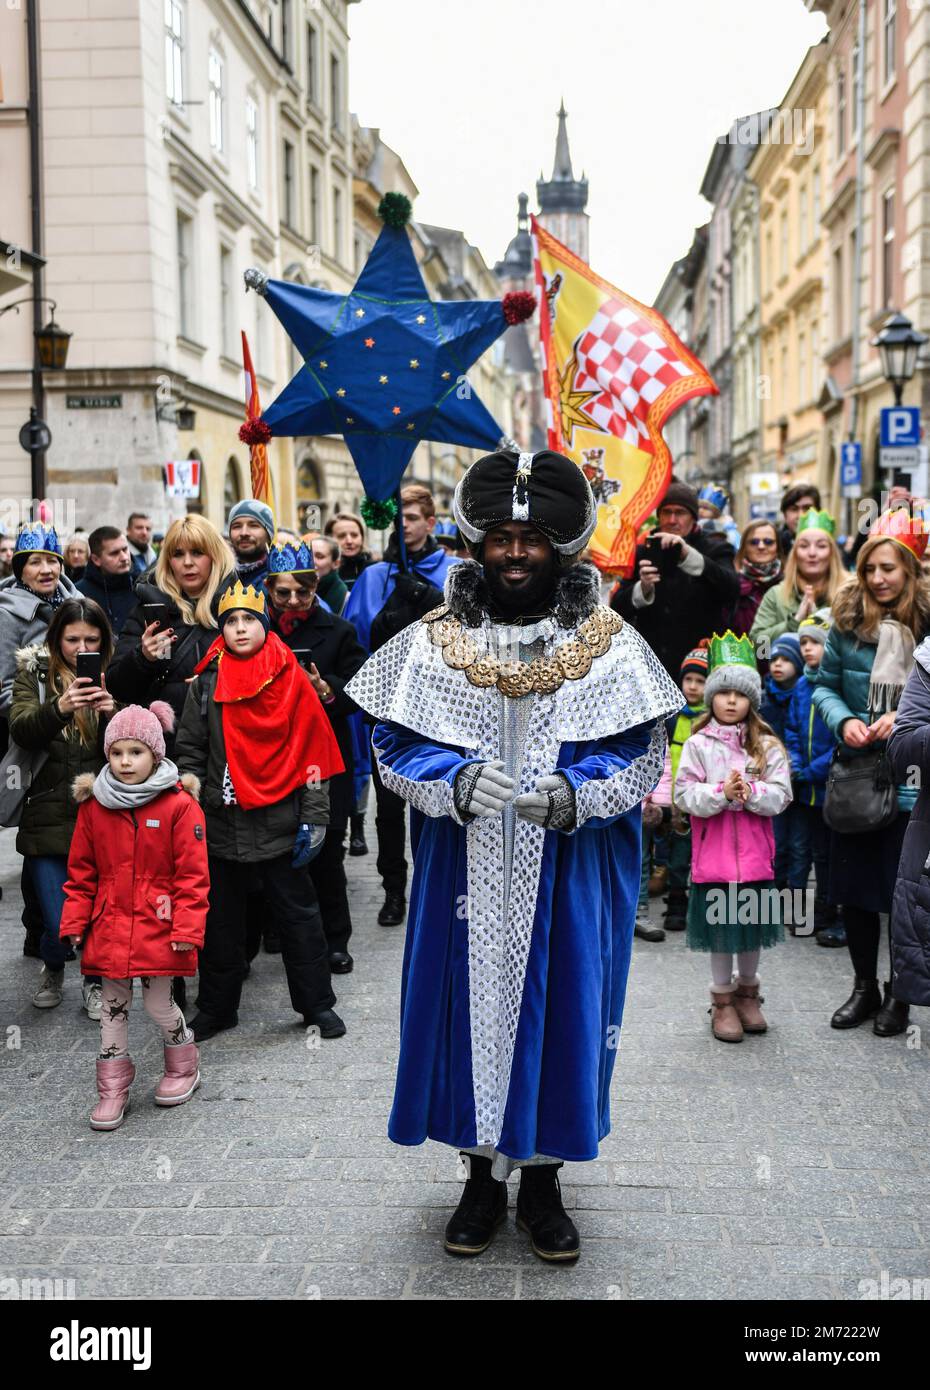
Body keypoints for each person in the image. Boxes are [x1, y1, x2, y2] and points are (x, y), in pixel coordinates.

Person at [345, 448, 681, 1263]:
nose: (517, 552)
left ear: (560, 546)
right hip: (463, 871)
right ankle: (479, 1178)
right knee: (461, 1013)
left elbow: (642, 752)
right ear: (478, 544)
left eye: (532, 539)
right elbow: (391, 743)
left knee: (564, 1010)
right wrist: (451, 778)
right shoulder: (431, 642)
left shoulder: (609, 642)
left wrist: (575, 794)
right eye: (502, 537)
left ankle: (542, 1183)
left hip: (566, 871)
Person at [174, 578, 346, 1042]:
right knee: (221, 924)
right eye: (231, 621)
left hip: (281, 821)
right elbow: (190, 748)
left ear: (265, 626)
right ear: (221, 629)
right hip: (221, 821)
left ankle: (317, 1006)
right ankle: (215, 1008)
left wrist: (315, 815)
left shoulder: (290, 677)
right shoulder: (206, 683)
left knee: (299, 921)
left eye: (250, 619)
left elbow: (313, 752)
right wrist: (191, 802)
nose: (241, 628)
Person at [810, 507, 930, 1035]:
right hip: (858, 773)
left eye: (890, 568)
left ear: (908, 570)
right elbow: (824, 686)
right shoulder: (844, 616)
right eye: (871, 568)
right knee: (855, 889)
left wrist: (902, 717)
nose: (879, 579)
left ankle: (900, 997)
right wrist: (845, 723)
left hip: (912, 779)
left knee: (900, 894)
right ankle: (863, 987)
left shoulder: (927, 621)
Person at [60, 702, 208, 1130]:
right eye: (117, 752)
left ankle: (182, 1063)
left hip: (158, 926)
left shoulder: (179, 806)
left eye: (136, 752)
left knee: (160, 1004)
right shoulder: (93, 806)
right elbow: (81, 873)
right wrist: (74, 922)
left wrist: (186, 927)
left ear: (155, 755)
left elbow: (193, 876)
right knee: (112, 1008)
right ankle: (112, 1085)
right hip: (108, 926)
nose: (126, 761)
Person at [344, 483, 461, 927]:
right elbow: (357, 642)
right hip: (388, 710)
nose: (404, 526)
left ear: (430, 522)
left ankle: (436, 884)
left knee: (436, 799)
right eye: (399, 518)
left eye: (412, 518)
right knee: (390, 807)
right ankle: (394, 888)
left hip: (441, 710)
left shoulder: (452, 571)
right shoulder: (376, 576)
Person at [674, 633, 792, 1043]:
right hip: (715, 861)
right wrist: (720, 794)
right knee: (722, 929)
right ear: (711, 697)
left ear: (750, 700)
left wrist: (753, 794)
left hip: (756, 859)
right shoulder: (698, 744)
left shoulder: (767, 746)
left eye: (738, 694)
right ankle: (722, 1001)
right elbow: (684, 793)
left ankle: (748, 993)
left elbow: (781, 794)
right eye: (721, 692)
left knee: (750, 928)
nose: (729, 701)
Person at [8, 597, 114, 1016]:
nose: (81, 647)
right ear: (56, 638)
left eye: (91, 638)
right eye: (72, 639)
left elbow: (131, 748)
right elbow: (22, 729)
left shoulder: (112, 674)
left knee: (95, 916)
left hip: (99, 817)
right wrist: (60, 708)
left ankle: (92, 981)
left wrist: (112, 713)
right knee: (57, 920)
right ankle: (54, 965)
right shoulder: (33, 673)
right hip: (46, 819)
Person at [264, 542, 366, 973]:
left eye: (301, 593)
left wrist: (327, 691)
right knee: (277, 846)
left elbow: (360, 689)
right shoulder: (256, 629)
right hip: (272, 756)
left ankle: (334, 938)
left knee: (326, 850)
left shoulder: (338, 631)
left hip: (323, 758)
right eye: (283, 593)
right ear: (269, 589)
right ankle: (281, 930)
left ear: (314, 588)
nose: (292, 602)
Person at [0, 525, 82, 960]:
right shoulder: (7, 612)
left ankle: (60, 932)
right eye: (35, 561)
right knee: (40, 836)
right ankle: (44, 934)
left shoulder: (77, 605)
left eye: (52, 560)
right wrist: (44, 711)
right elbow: (3, 687)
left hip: (81, 735)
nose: (46, 568)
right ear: (20, 569)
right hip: (33, 740)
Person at [106, 515, 235, 752]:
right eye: (178, 554)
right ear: (168, 561)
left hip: (225, 742)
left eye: (197, 552)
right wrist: (142, 658)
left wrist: (214, 680)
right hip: (165, 749)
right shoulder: (147, 610)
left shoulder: (236, 608)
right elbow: (118, 688)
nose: (187, 562)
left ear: (215, 556)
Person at [612, 480, 739, 678]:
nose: (672, 520)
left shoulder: (715, 548)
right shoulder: (641, 551)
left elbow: (732, 589)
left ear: (693, 518)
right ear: (659, 516)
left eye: (680, 513)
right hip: (652, 668)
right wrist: (642, 589)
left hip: (698, 669)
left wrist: (688, 555)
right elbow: (617, 608)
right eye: (666, 512)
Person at [784, 612, 843, 946]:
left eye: (815, 643)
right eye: (803, 642)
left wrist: (811, 770)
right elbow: (792, 728)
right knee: (800, 848)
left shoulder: (834, 685)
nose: (807, 649)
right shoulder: (801, 686)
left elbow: (839, 739)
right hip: (803, 789)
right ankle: (804, 913)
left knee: (825, 854)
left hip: (829, 788)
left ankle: (828, 910)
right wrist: (794, 761)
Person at [641, 645, 708, 937]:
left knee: (686, 856)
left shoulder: (709, 718)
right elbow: (662, 757)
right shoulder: (672, 716)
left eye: (700, 681)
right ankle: (663, 900)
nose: (692, 686)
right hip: (665, 795)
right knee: (659, 851)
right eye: (688, 680)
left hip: (694, 796)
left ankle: (681, 903)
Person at [750, 509, 845, 649]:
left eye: (821, 546)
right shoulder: (776, 595)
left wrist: (818, 622)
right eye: (804, 546)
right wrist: (794, 622)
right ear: (794, 554)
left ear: (832, 553)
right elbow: (757, 645)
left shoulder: (849, 592)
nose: (812, 553)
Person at [76, 527, 137, 636]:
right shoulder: (78, 594)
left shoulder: (142, 588)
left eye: (125, 549)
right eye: (114, 553)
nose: (124, 557)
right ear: (96, 559)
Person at [731, 519, 784, 637]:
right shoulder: (732, 585)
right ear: (744, 547)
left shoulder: (790, 583)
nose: (761, 546)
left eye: (768, 542)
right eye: (753, 542)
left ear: (777, 547)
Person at [227, 499, 275, 586]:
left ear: (269, 535)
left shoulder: (278, 576)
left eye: (253, 526)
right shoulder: (219, 575)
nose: (244, 533)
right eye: (237, 526)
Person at [325, 512, 373, 592]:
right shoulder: (322, 572)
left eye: (354, 535)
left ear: (362, 538)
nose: (349, 541)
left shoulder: (373, 569)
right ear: (329, 539)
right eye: (341, 536)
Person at [308, 535, 349, 615]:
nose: (311, 561)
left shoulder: (347, 599)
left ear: (336, 564)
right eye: (307, 556)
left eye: (319, 556)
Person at [778, 483, 822, 555]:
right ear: (785, 516)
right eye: (794, 509)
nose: (801, 516)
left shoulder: (830, 547)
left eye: (807, 508)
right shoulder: (774, 547)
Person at [697, 484, 741, 551]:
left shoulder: (729, 530)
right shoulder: (696, 525)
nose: (701, 511)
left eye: (706, 508)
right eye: (699, 507)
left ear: (716, 512)